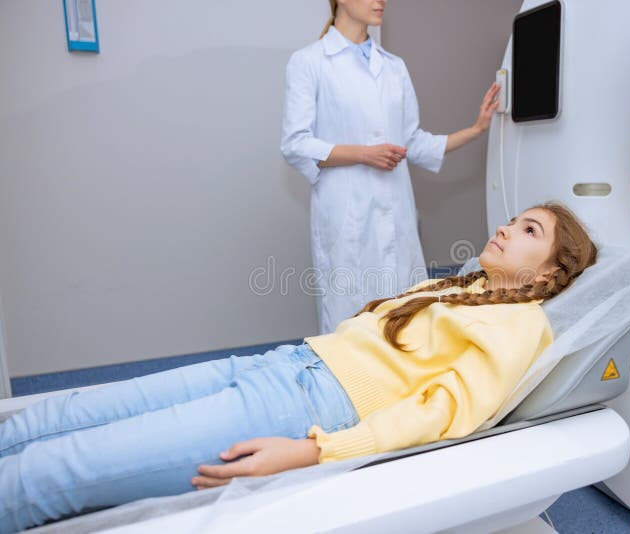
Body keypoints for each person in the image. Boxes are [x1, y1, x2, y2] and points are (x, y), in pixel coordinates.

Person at [0, 203, 597, 532]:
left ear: (548, 273)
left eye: (528, 230)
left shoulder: (523, 326)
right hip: (283, 364)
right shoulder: (465, 286)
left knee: (54, 472)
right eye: (513, 219)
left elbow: (438, 415)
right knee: (61, 413)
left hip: (304, 408)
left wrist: (312, 452)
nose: (503, 227)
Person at [281, 0, 501, 334]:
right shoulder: (310, 61)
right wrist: (363, 154)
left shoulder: (394, 66)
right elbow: (295, 143)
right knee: (349, 317)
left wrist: (476, 128)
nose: (381, 1)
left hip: (396, 212)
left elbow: (411, 141)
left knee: (403, 312)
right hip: (345, 213)